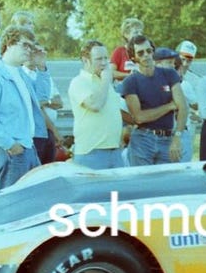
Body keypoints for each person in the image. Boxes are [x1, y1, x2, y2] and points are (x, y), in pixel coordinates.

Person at [0, 26, 42, 189]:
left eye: (31, 47)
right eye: (25, 45)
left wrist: (42, 67)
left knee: (33, 202)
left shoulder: (21, 75)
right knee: (12, 205)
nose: (29, 50)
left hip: (27, 146)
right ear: (9, 44)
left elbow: (43, 99)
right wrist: (9, 144)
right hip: (10, 151)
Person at [120, 35, 187, 166]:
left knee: (167, 182)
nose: (146, 55)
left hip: (168, 138)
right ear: (133, 57)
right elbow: (139, 117)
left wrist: (177, 137)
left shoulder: (169, 74)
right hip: (143, 140)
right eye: (140, 52)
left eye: (149, 51)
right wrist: (169, 106)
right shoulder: (130, 82)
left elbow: (183, 107)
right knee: (141, 183)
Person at [68, 40, 125, 170]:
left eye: (106, 58)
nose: (104, 63)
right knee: (94, 190)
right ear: (85, 60)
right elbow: (95, 105)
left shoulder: (105, 83)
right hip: (91, 152)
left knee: (115, 191)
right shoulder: (79, 82)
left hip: (114, 151)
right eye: (99, 59)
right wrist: (106, 80)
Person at [111, 17, 143, 83]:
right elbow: (112, 72)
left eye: (141, 32)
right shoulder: (119, 51)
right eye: (136, 32)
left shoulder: (144, 51)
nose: (140, 35)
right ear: (126, 35)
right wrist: (129, 75)